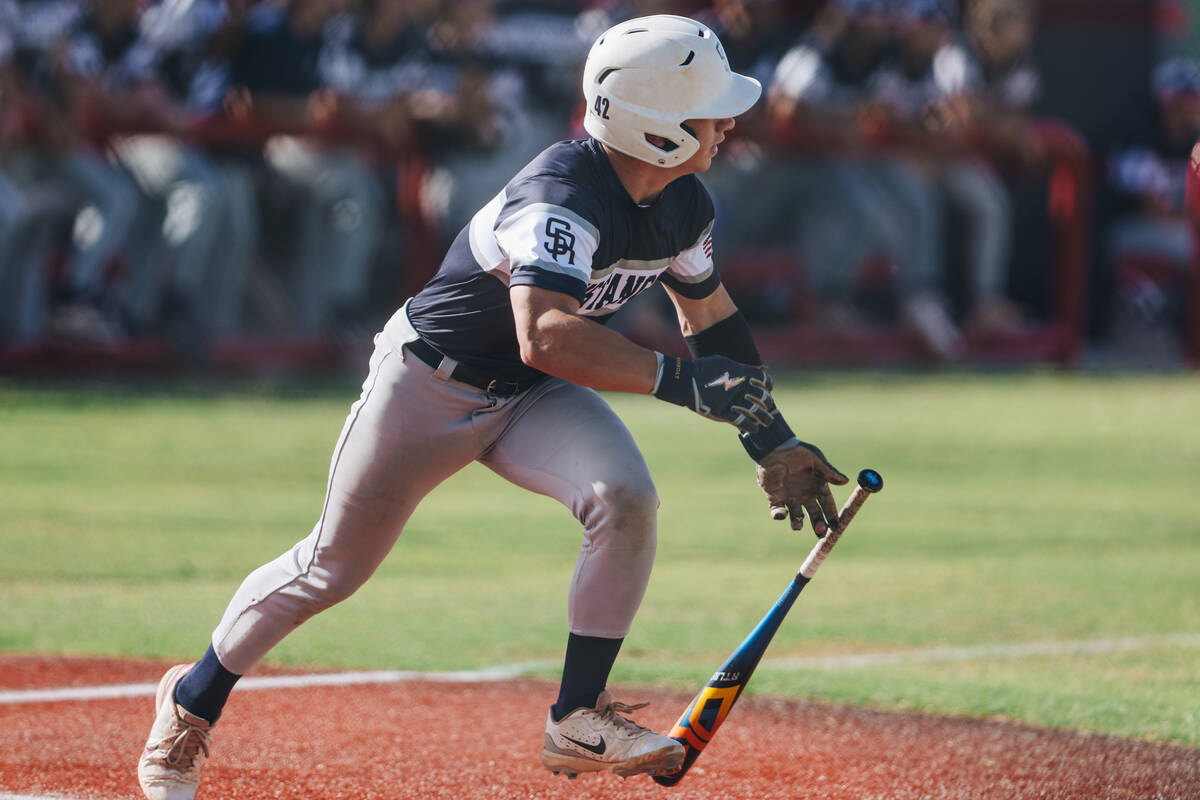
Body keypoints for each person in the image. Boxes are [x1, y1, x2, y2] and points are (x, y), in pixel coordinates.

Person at [136, 15, 849, 800]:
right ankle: (191, 700)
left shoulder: (685, 201)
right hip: (430, 382)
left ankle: (577, 718)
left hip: (531, 394)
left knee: (625, 499)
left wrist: (771, 439)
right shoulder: (561, 195)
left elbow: (711, 320)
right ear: (656, 123)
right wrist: (681, 383)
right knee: (329, 569)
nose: (729, 122)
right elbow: (544, 335)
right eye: (710, 108)